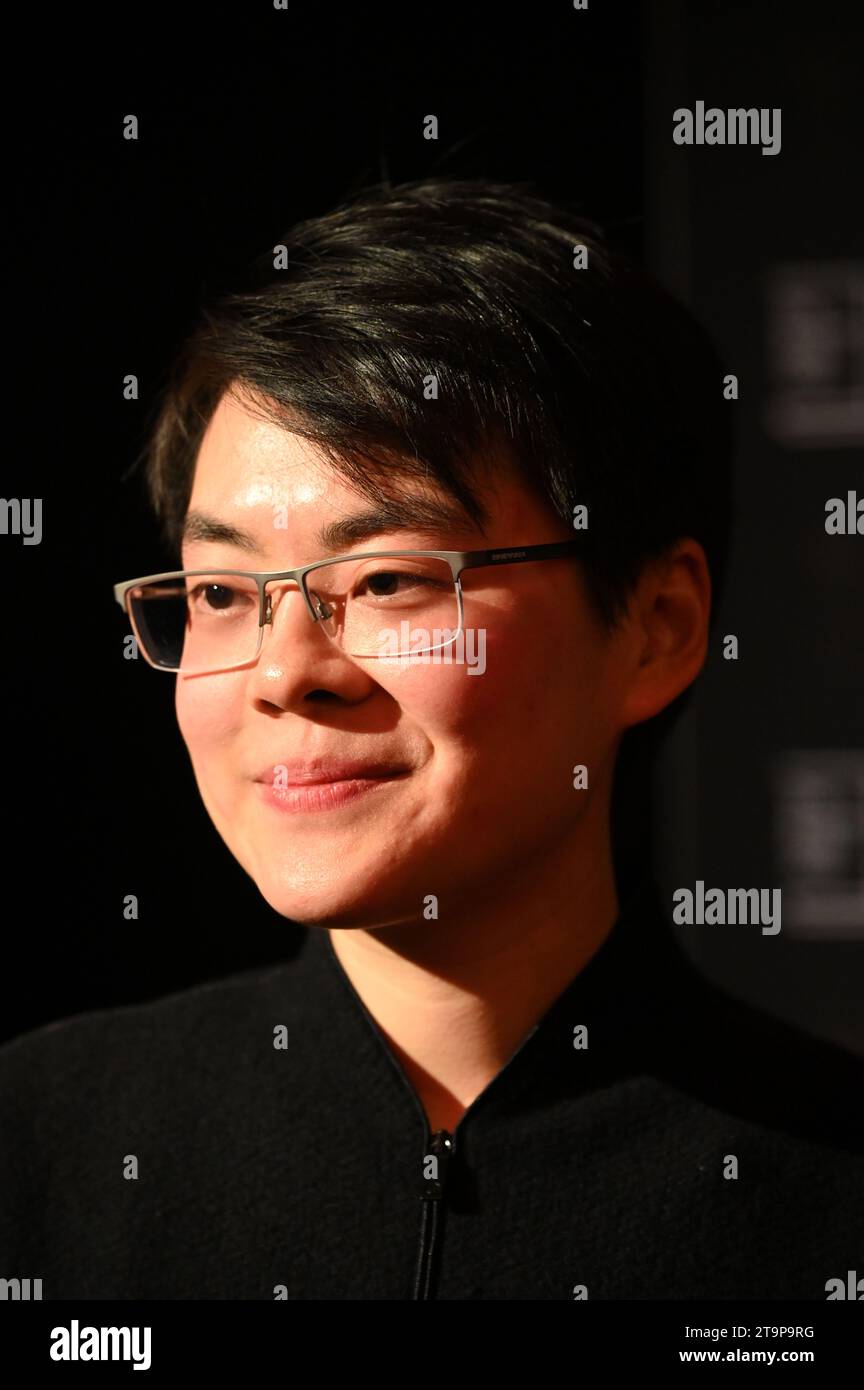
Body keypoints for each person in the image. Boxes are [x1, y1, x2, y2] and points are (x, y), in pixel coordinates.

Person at [0, 178, 861, 1301]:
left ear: (658, 628)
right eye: (220, 591)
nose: (284, 673)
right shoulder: (40, 1147)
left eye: (391, 579)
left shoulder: (825, 1196)